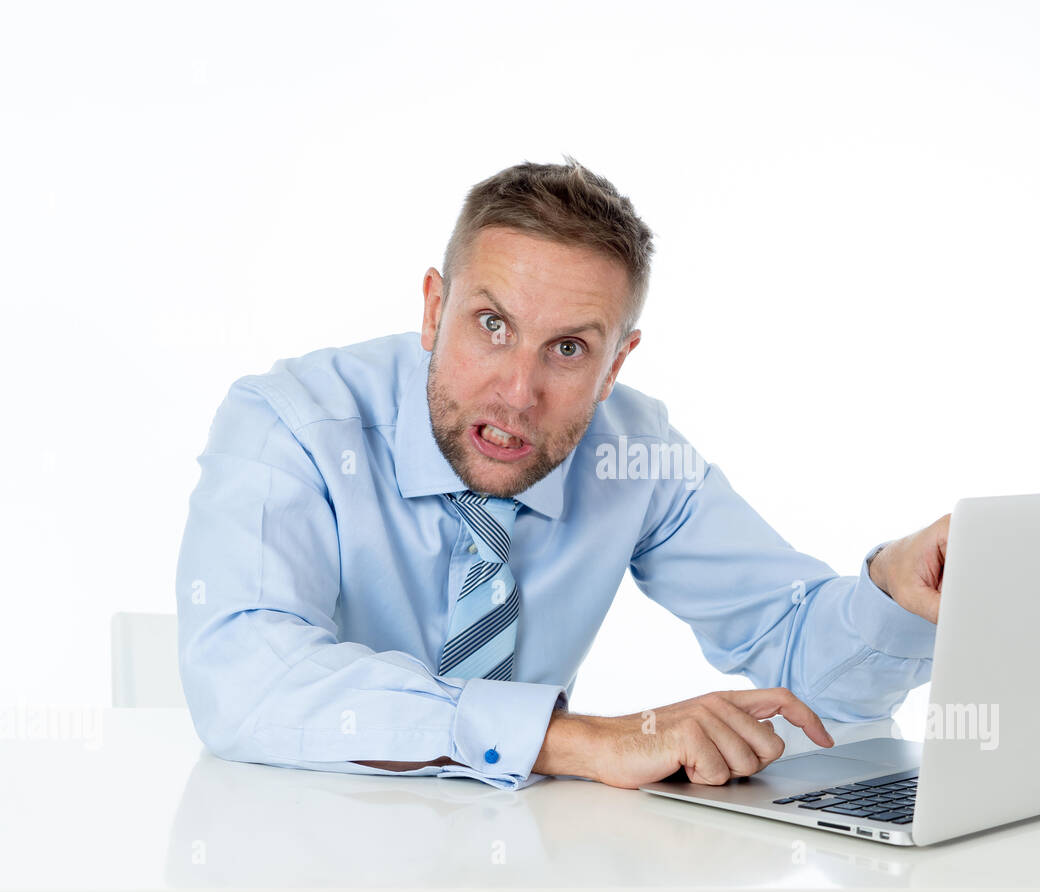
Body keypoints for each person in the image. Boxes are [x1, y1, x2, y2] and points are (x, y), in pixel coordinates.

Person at [175, 155, 949, 791]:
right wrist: (563, 739)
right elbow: (245, 677)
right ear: (432, 308)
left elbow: (806, 660)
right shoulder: (292, 424)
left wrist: (894, 589)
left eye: (569, 349)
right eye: (492, 325)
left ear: (616, 363)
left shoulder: (634, 454)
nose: (518, 394)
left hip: (526, 876)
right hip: (295, 869)